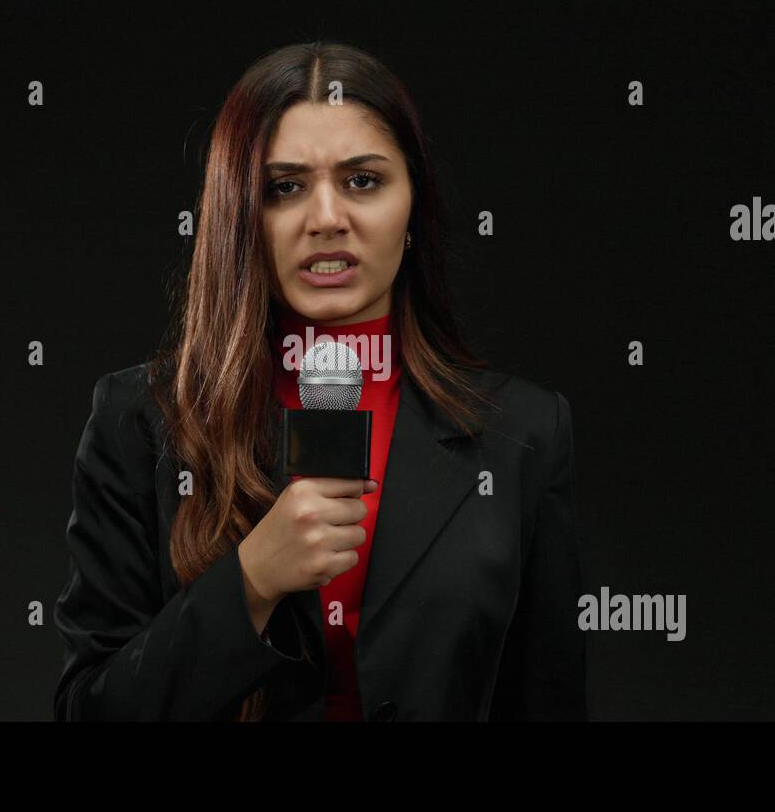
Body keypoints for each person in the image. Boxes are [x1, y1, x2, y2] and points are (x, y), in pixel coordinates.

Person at [52, 41, 586, 722]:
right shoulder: (139, 420)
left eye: (362, 180)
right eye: (285, 187)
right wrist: (251, 581)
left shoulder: (525, 433)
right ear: (240, 216)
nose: (327, 218)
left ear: (414, 208)